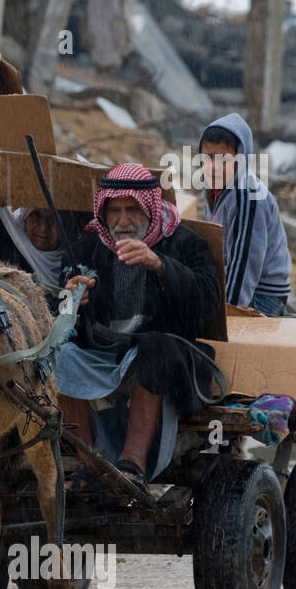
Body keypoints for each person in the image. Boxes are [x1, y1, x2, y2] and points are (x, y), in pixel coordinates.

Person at [58, 163, 222, 488]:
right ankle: (89, 463)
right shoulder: (89, 247)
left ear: (148, 207)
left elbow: (208, 300)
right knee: (59, 356)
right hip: (106, 353)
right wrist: (71, 301)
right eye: (114, 211)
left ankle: (131, 465)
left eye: (132, 209)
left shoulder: (184, 242)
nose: (122, 221)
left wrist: (159, 264)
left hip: (169, 357)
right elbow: (60, 314)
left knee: (153, 346)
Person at [0, 67, 82, 289]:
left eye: (53, 220)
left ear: (66, 225)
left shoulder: (76, 267)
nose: (43, 228)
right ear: (25, 214)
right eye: (36, 215)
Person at [198, 113, 292, 316]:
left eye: (224, 160)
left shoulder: (247, 196)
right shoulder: (214, 188)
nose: (213, 166)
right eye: (208, 158)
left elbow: (245, 262)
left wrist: (228, 312)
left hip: (261, 294)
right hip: (232, 284)